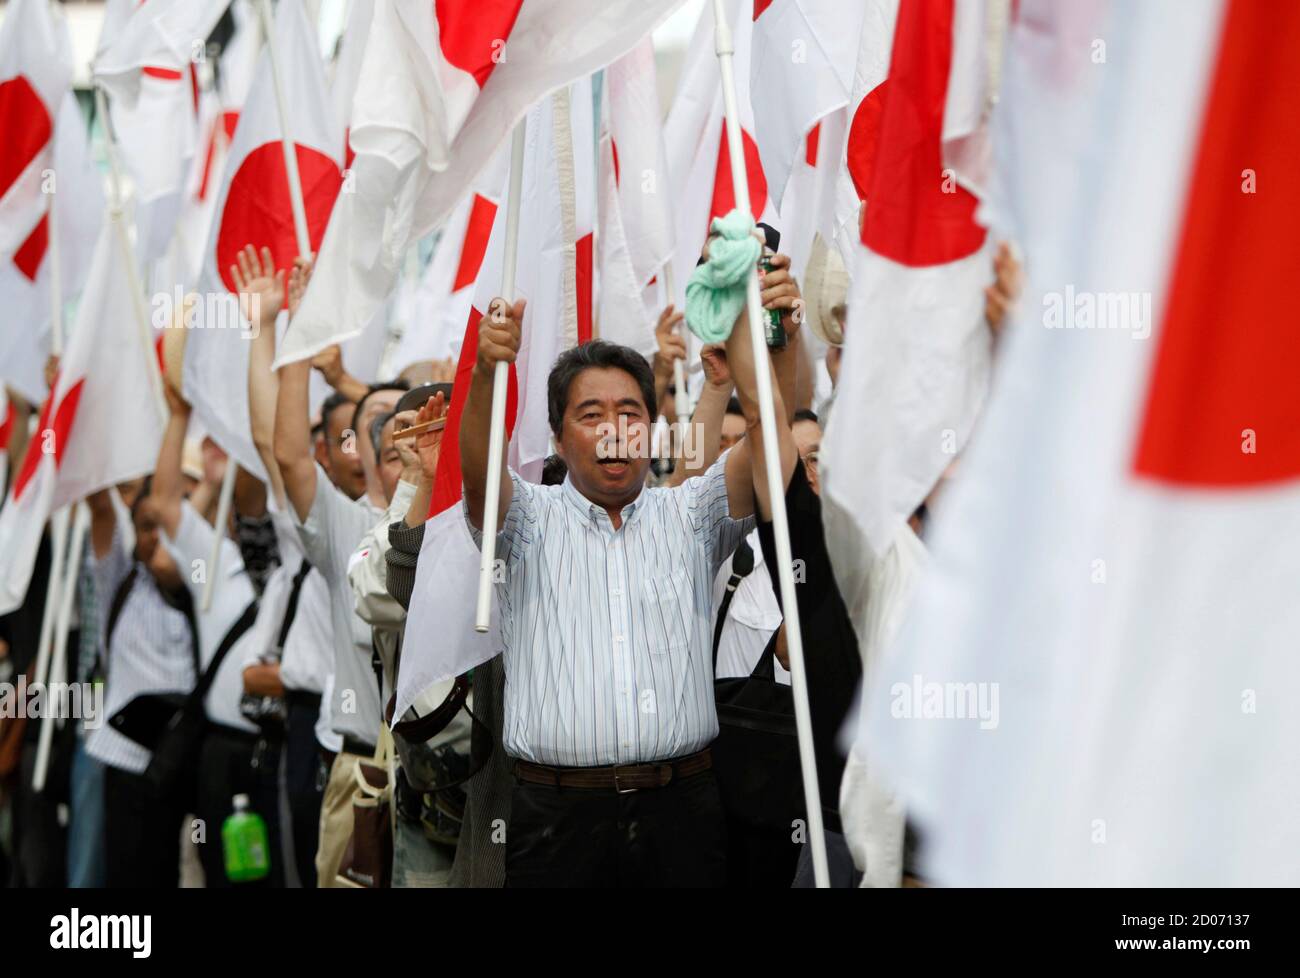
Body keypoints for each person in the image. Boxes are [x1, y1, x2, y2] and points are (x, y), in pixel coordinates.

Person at [456, 250, 799, 884]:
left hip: (683, 813)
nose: (613, 431)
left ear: (654, 427)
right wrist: (484, 373)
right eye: (591, 415)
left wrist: (778, 343)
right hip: (556, 820)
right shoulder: (528, 520)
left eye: (630, 413)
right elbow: (476, 476)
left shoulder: (693, 514)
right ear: (559, 438)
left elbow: (775, 453)